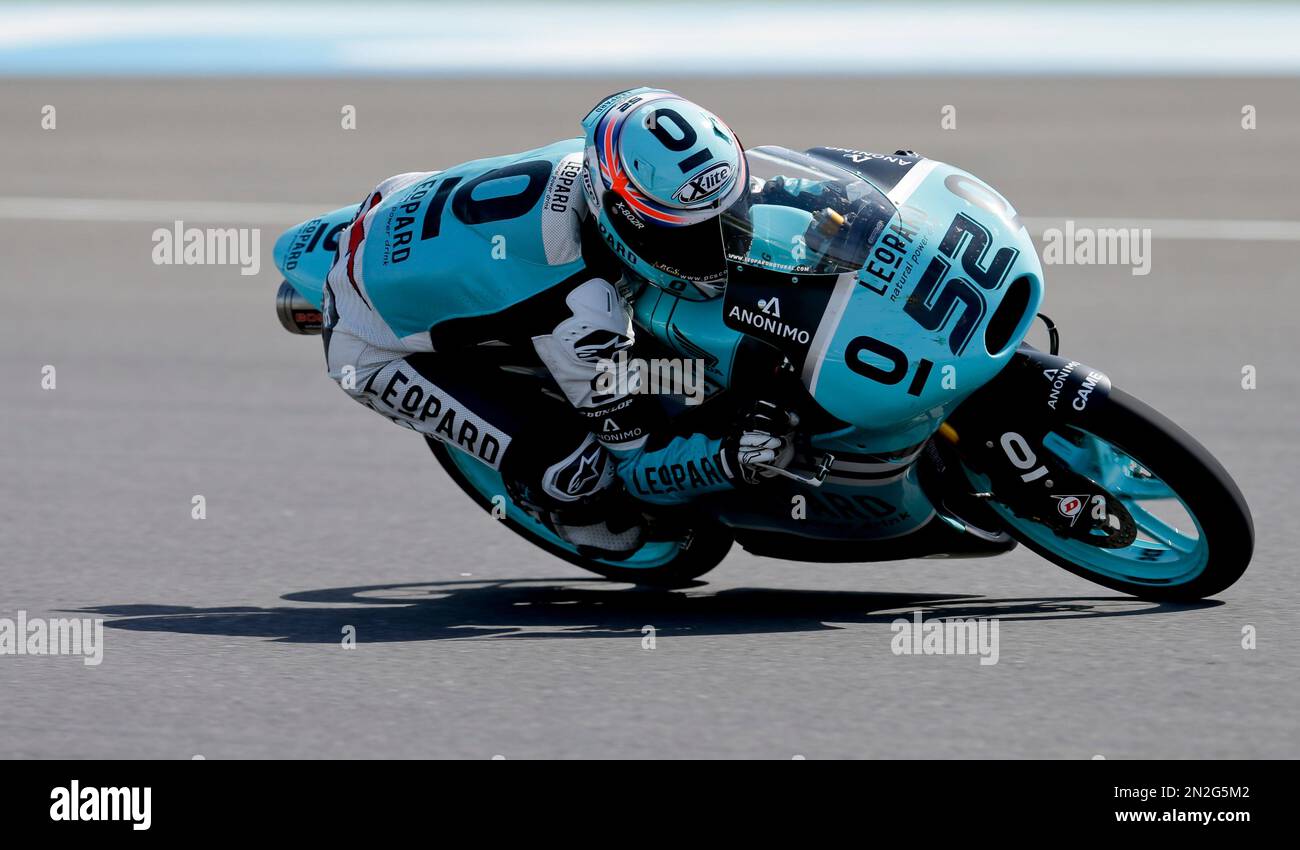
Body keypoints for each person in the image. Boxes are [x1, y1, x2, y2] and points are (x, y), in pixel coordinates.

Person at [320, 87, 795, 559]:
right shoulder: (581, 307)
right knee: (574, 469)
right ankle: (567, 511)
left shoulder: (606, 164)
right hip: (371, 340)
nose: (719, 246)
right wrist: (729, 461)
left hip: (404, 201)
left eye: (730, 211)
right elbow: (638, 463)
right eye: (687, 239)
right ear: (618, 215)